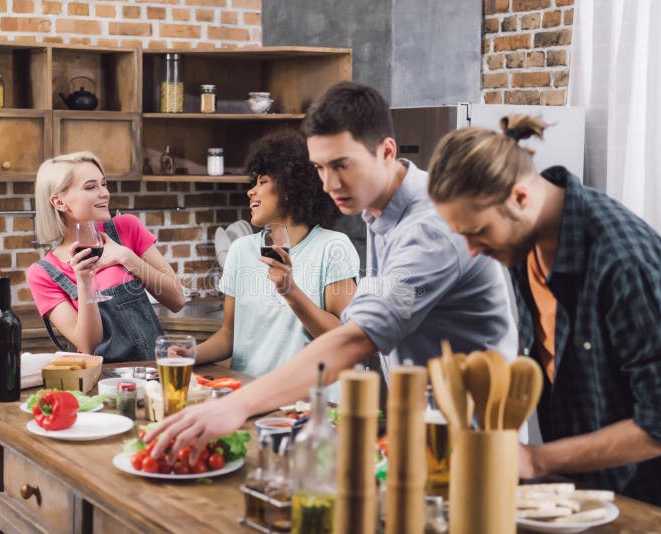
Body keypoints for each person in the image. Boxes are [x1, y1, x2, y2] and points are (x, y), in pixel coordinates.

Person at [145, 82, 517, 462]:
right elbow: (378, 314)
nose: (330, 184)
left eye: (342, 165)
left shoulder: (429, 227)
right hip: (424, 425)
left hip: (471, 437)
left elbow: (354, 340)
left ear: (386, 151)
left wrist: (236, 406)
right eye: (320, 167)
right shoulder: (380, 212)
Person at [426, 115, 661, 509]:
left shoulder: (625, 262)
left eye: (478, 232)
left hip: (650, 509)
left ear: (519, 198)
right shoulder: (524, 246)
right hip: (584, 502)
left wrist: (535, 458)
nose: (473, 250)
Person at [196, 132, 359, 396]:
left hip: (309, 402)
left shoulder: (332, 247)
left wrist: (290, 291)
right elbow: (228, 336)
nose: (251, 191)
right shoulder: (241, 250)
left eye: (263, 182)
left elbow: (345, 336)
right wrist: (186, 354)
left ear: (288, 189)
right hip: (249, 395)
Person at [27, 151, 185, 362]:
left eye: (104, 184)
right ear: (59, 202)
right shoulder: (44, 273)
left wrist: (126, 256)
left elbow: (177, 299)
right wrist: (84, 284)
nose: (104, 193)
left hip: (152, 373)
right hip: (102, 381)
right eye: (91, 187)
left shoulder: (126, 228)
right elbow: (88, 344)